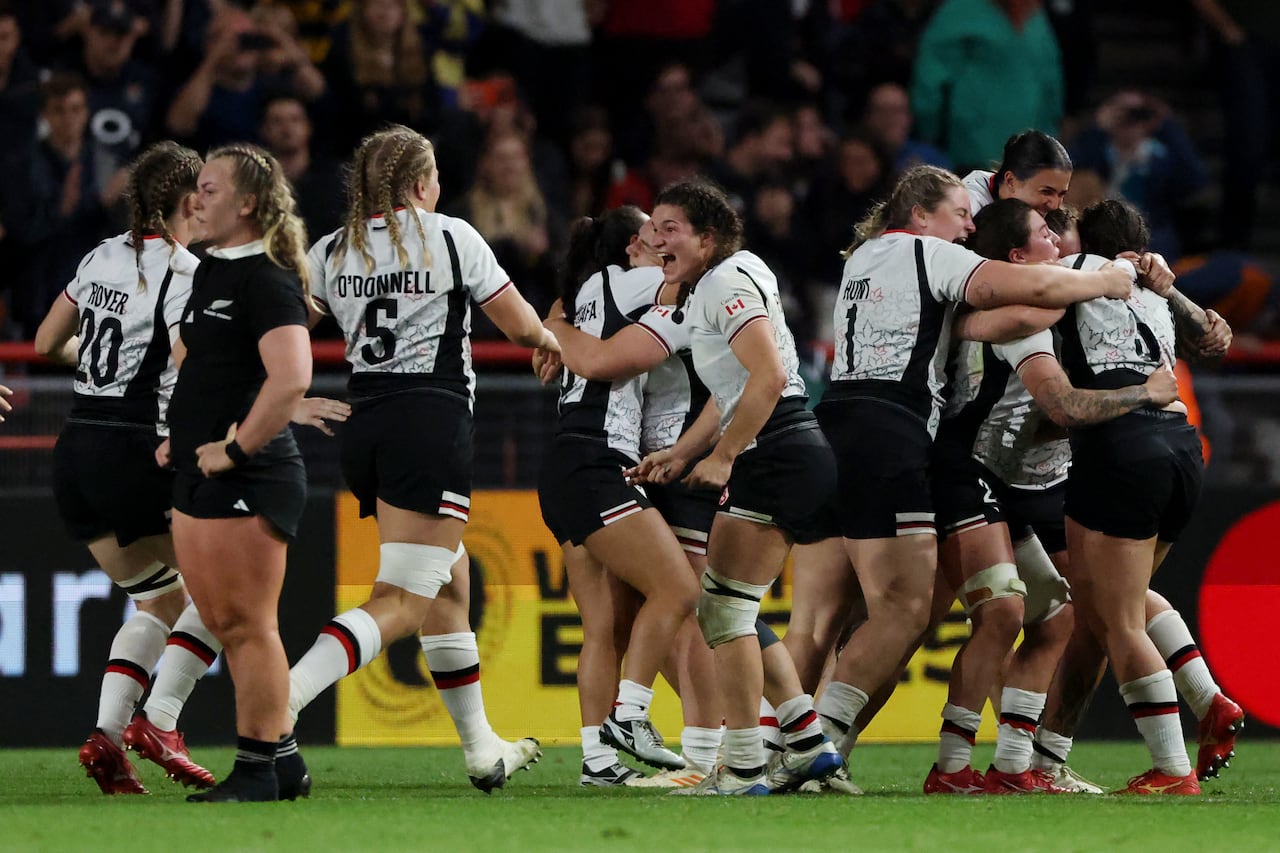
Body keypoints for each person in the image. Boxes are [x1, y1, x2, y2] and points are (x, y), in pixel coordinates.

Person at [808, 165, 1134, 779]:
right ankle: (833, 750)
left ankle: (989, 764)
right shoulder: (941, 263)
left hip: (875, 435)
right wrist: (1096, 280)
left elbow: (1014, 312)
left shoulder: (871, 262)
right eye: (1045, 226)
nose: (965, 226)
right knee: (917, 616)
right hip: (940, 460)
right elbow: (1024, 319)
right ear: (923, 214)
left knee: (856, 618)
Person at [295, 125, 554, 791]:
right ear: (419, 183)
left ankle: (482, 748)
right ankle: (280, 703)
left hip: (367, 426)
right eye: (433, 176)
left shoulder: (332, 248)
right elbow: (518, 323)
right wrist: (552, 341)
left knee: (449, 583)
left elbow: (288, 328)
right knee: (403, 600)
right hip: (428, 422)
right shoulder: (449, 235)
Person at [924, 198, 1180, 795]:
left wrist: (1149, 281)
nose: (1059, 239)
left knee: (1060, 616)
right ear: (1018, 258)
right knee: (1002, 614)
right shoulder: (1022, 313)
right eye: (1047, 233)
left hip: (1017, 478)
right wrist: (1143, 385)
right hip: (971, 472)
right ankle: (949, 763)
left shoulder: (1022, 304)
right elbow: (1059, 404)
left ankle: (1014, 765)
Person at [640, 179, 845, 796]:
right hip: (789, 448)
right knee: (733, 607)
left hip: (775, 449)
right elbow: (734, 391)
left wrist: (726, 456)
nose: (655, 238)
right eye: (653, 227)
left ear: (707, 238)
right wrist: (682, 452)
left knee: (723, 611)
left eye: (670, 227)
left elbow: (771, 377)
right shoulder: (730, 276)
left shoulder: (723, 284)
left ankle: (745, 766)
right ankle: (807, 742)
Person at [1031, 199, 1242, 794]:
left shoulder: (1070, 275)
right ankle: (1206, 699)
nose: (1053, 235)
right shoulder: (1154, 292)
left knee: (1117, 619)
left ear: (1082, 238)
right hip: (1181, 451)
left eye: (1060, 227)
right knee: (1109, 608)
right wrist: (1170, 287)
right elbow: (1214, 339)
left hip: (1120, 451)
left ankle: (1174, 769)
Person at [32, 140, 214, 796]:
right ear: (190, 200)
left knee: (162, 596)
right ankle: (159, 723)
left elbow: (46, 342)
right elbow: (190, 366)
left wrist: (98, 362)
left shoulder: (99, 256)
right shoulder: (186, 271)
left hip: (76, 450)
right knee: (226, 595)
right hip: (138, 451)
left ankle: (107, 739)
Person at [167, 142, 314, 803]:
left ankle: (256, 771)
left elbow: (292, 378)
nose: (198, 199)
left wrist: (236, 450)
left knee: (249, 625)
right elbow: (203, 367)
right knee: (226, 622)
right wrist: (178, 438)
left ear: (249, 203)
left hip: (247, 476)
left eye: (211, 189)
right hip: (199, 469)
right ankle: (280, 761)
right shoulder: (209, 269)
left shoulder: (267, 278)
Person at [536, 206, 701, 777]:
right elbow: (695, 281)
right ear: (636, 243)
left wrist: (553, 323)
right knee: (678, 587)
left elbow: (563, 312)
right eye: (659, 234)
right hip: (596, 459)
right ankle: (630, 716)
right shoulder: (640, 281)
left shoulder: (585, 293)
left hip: (567, 458)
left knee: (604, 626)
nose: (666, 245)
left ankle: (596, 759)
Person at [961, 130, 1072, 218]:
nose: (1054, 205)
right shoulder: (968, 205)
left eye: (1061, 194)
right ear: (1010, 181)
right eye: (1046, 192)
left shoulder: (1048, 215)